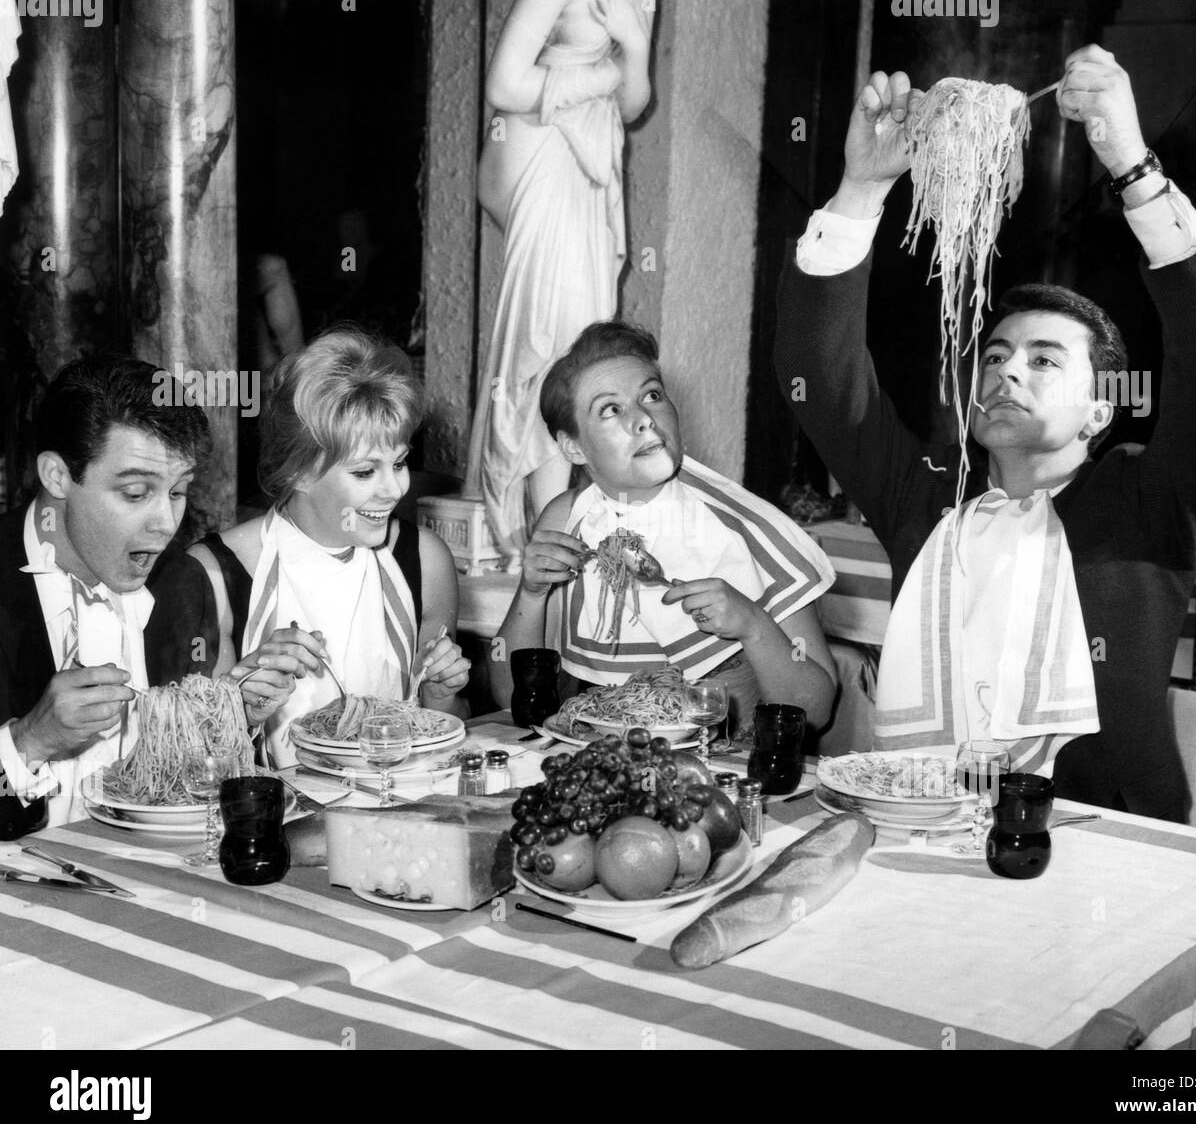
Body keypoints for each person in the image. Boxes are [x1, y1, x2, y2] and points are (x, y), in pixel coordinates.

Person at [776, 48, 1196, 820]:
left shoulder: (1150, 499)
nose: (1006, 373)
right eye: (997, 355)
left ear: (1101, 407)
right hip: (924, 820)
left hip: (1107, 851)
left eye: (1045, 360)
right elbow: (818, 371)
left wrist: (1132, 165)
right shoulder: (930, 496)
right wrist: (861, 187)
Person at [490, 321, 838, 733]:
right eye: (611, 409)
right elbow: (508, 694)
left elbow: (815, 710)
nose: (644, 421)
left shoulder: (748, 528)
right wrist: (532, 593)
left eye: (652, 396)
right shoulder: (567, 520)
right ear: (574, 447)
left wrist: (753, 624)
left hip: (718, 770)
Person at [0, 357, 297, 838]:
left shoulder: (182, 583)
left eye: (178, 492)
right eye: (136, 493)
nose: (165, 523)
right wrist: (30, 741)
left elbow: (182, 781)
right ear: (57, 476)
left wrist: (233, 716)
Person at [187, 327, 470, 768]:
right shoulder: (215, 574)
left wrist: (441, 698)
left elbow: (445, 728)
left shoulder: (425, 559)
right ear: (298, 471)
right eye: (364, 472)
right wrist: (241, 708)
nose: (394, 489)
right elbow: (195, 761)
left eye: (398, 463)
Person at [465, 0, 654, 557]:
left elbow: (632, 105)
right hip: (542, 147)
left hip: (592, 150)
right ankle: (526, 516)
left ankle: (553, 512)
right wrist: (602, 74)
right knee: (540, 337)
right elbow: (503, 87)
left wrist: (637, 47)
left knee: (580, 339)